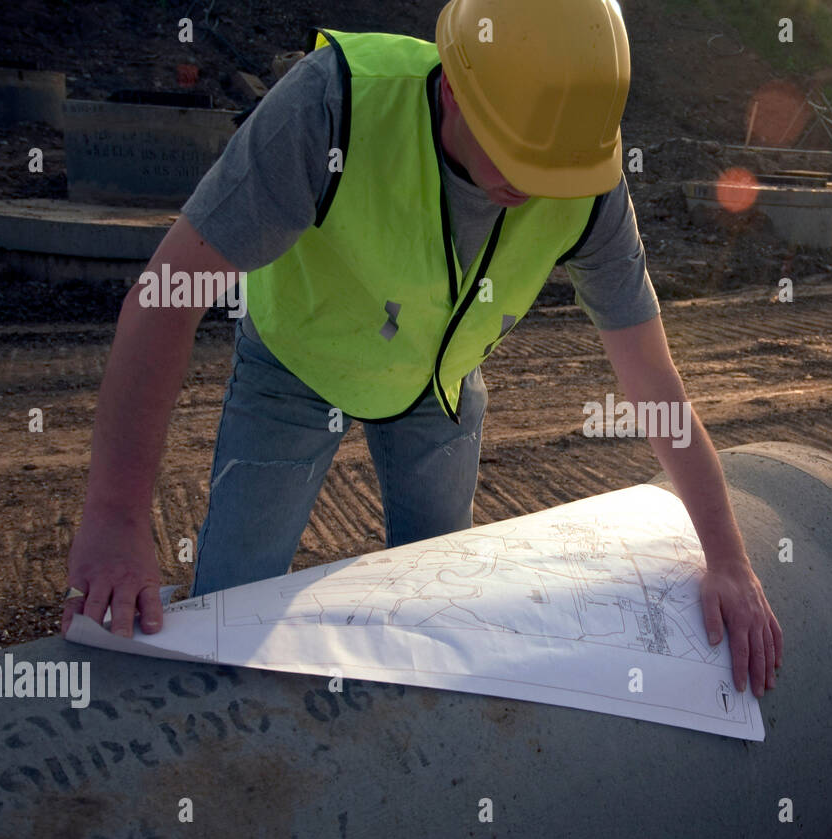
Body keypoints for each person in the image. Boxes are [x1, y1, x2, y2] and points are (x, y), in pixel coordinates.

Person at [61, 0, 782, 697]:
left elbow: (652, 379)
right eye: (519, 162)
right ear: (458, 90)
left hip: (438, 386)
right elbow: (163, 300)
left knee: (442, 613)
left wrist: (726, 556)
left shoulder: (581, 172)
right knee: (230, 609)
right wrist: (116, 521)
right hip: (297, 365)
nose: (535, 190)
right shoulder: (333, 106)